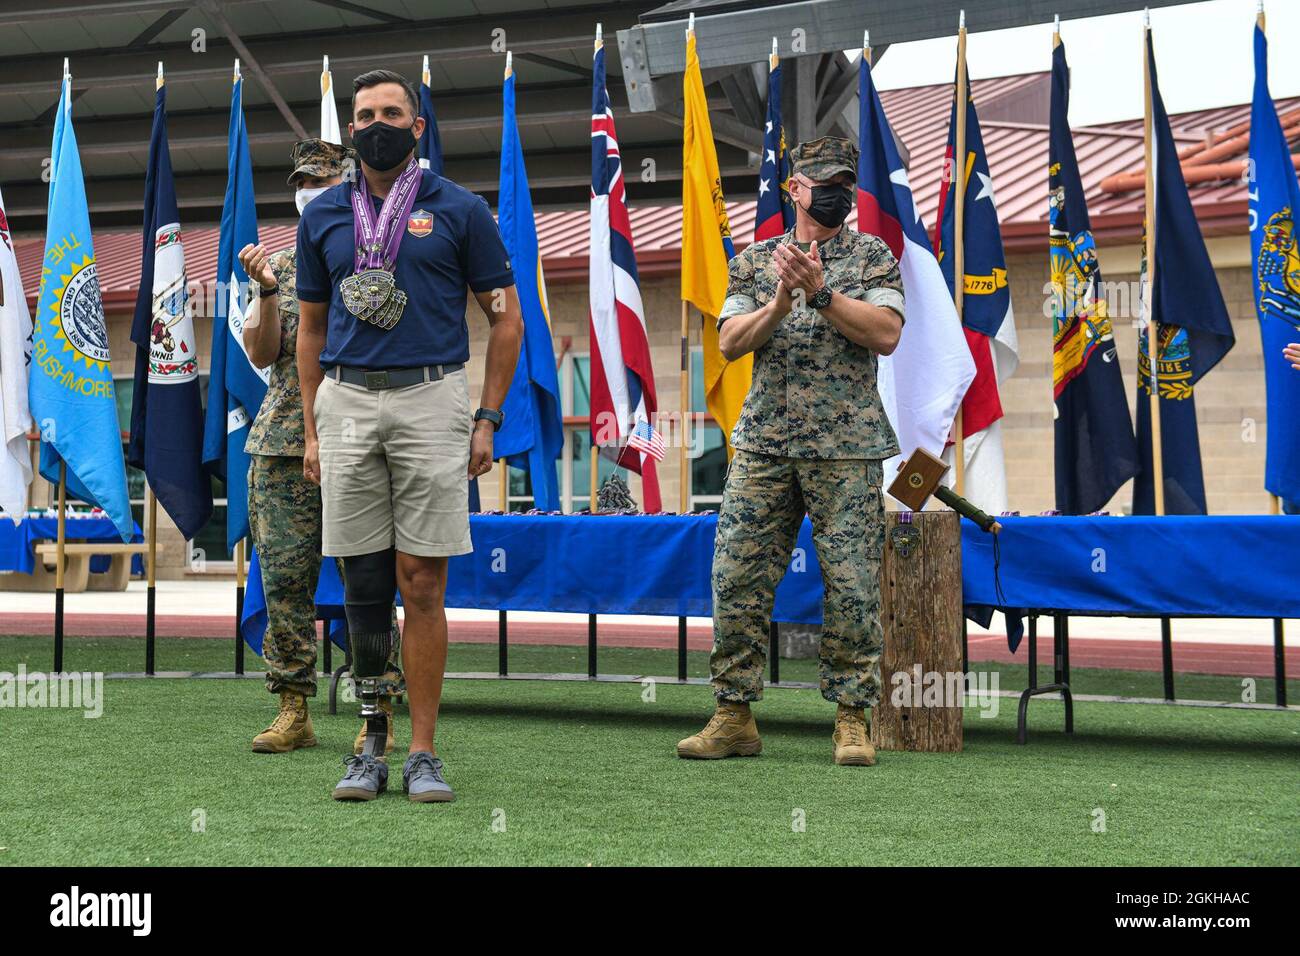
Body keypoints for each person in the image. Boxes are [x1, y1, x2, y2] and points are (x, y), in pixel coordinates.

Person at [295, 70, 523, 803]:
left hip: (432, 396)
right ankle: (372, 739)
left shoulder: (460, 209)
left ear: (418, 127)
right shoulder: (323, 215)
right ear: (350, 128)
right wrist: (312, 429)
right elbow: (310, 329)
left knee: (422, 581)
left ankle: (424, 751)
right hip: (347, 401)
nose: (377, 124)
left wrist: (486, 416)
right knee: (362, 581)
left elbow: (506, 317)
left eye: (392, 113)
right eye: (364, 115)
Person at [676, 135, 905, 767]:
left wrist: (825, 294)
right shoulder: (755, 262)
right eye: (821, 181)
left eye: (844, 182)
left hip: (847, 448)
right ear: (794, 188)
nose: (835, 192)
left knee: (853, 584)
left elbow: (886, 333)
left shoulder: (872, 256)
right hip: (764, 448)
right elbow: (729, 343)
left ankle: (853, 720)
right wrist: (782, 300)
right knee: (736, 577)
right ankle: (733, 716)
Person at [240, 139, 404, 757]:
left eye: (324, 180)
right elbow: (259, 352)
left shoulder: (378, 259)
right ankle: (293, 708)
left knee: (367, 579)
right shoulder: (276, 264)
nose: (310, 192)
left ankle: (375, 709)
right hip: (283, 441)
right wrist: (264, 292)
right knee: (284, 580)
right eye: (302, 184)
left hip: (360, 436)